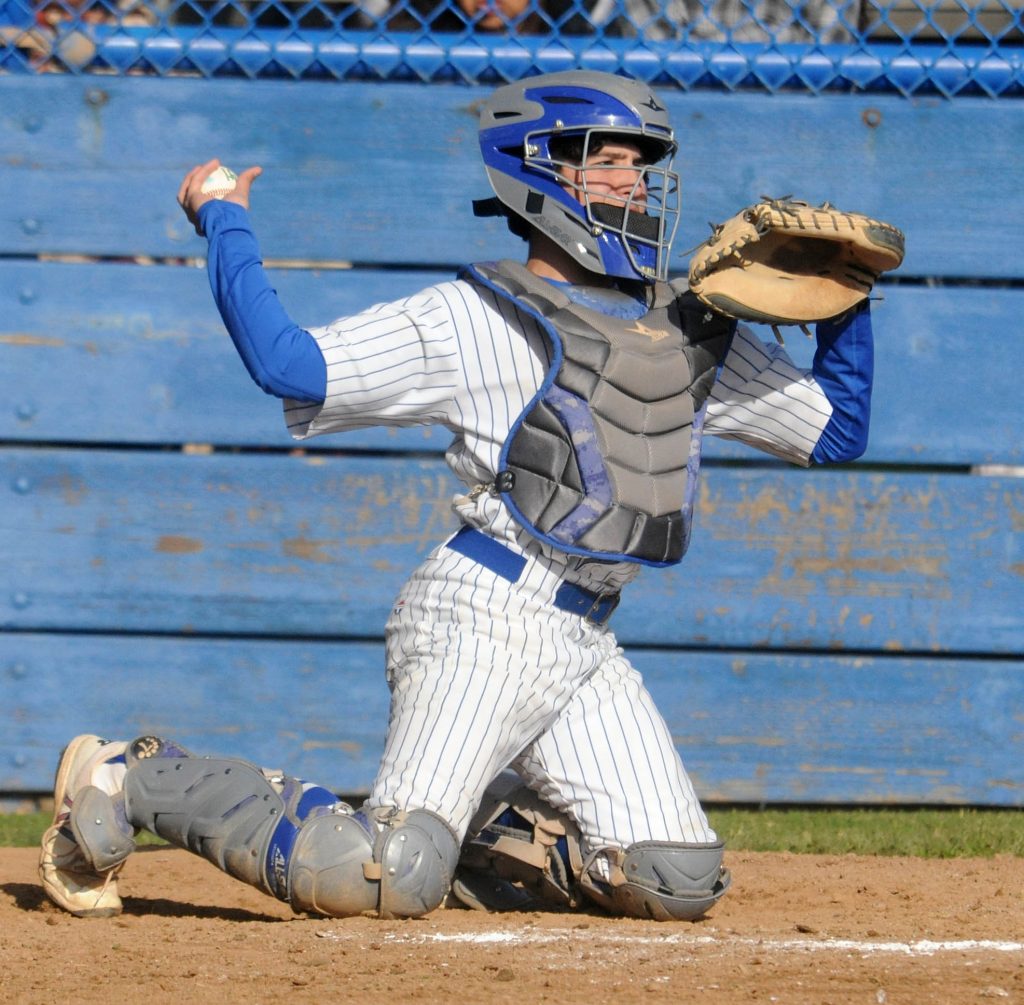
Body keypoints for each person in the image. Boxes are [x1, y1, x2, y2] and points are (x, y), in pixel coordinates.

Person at [39, 69, 874, 922]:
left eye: (642, 162)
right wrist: (224, 220)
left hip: (584, 643)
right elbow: (287, 364)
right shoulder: (472, 316)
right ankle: (133, 771)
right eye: (608, 159)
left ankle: (480, 825)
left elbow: (835, 433)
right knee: (387, 869)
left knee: (675, 878)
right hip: (481, 616)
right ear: (537, 169)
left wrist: (845, 300)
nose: (634, 181)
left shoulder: (689, 328)